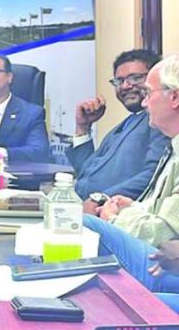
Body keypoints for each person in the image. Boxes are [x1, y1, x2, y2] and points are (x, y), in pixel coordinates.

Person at [82, 54, 179, 306]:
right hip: (161, 254)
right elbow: (161, 211)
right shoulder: (168, 143)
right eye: (120, 80)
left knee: (87, 226)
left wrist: (113, 215)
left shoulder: (160, 136)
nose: (145, 102)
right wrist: (130, 207)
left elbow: (161, 233)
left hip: (165, 262)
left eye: (147, 90)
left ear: (175, 97)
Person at [68, 49, 168, 213]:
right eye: (119, 81)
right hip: (86, 214)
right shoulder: (125, 124)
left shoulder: (159, 121)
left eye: (135, 78)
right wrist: (83, 128)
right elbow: (87, 172)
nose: (125, 86)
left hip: (117, 217)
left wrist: (101, 199)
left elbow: (156, 174)